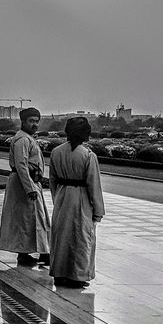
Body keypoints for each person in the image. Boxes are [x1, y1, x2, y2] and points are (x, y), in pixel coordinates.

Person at [48, 117, 105, 288]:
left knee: (61, 237)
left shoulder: (56, 152)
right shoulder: (88, 155)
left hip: (62, 196)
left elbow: (52, 181)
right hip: (81, 198)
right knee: (80, 237)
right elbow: (94, 184)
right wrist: (98, 210)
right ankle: (77, 275)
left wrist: (57, 198)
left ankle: (59, 272)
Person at [0, 107, 51, 265]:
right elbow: (21, 165)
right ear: (23, 122)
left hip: (31, 182)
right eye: (31, 121)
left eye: (37, 121)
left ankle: (43, 251)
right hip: (24, 185)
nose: (35, 124)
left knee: (37, 218)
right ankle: (26, 253)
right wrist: (29, 188)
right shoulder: (22, 139)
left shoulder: (28, 138)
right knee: (25, 221)